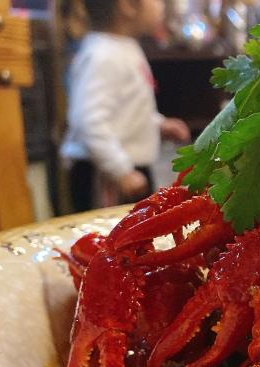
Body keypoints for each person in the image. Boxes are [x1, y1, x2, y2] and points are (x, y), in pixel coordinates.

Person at [61, 0, 190, 212]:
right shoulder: (103, 55)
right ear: (127, 5)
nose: (161, 5)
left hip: (128, 165)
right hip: (105, 172)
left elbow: (127, 107)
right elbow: (89, 120)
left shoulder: (125, 47)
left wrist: (158, 123)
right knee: (107, 235)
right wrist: (120, 170)